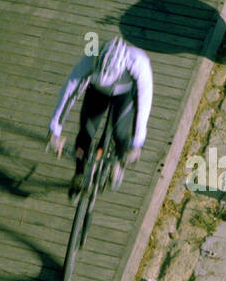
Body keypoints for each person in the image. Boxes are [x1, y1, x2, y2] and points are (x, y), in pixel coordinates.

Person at [47, 34, 153, 199]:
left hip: (124, 95)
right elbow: (69, 91)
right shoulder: (90, 58)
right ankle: (79, 173)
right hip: (97, 92)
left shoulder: (139, 62)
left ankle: (118, 159)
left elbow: (144, 104)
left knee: (120, 133)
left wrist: (137, 143)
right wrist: (55, 130)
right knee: (85, 134)